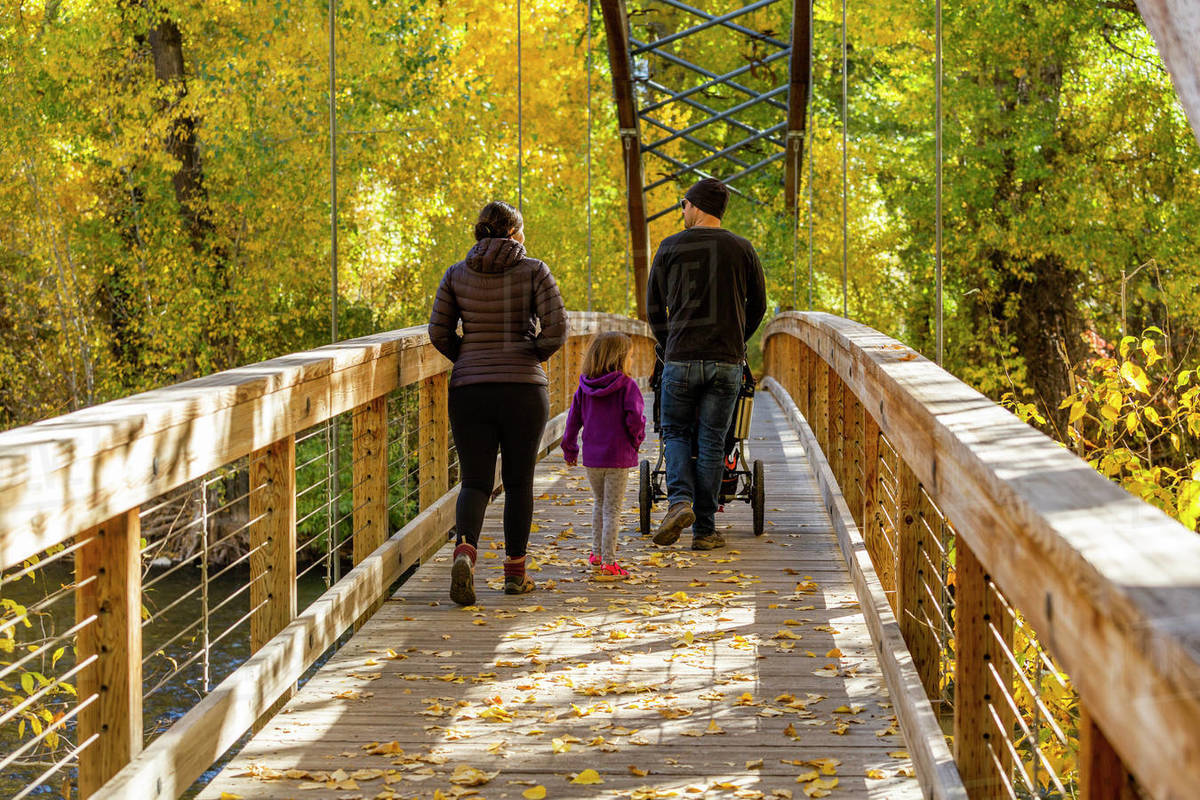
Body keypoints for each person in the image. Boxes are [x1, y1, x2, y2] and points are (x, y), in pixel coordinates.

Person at [428, 201, 567, 605]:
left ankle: (465, 553)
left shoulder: (456, 273)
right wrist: (529, 355)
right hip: (524, 389)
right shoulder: (534, 270)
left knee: (475, 481)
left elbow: (439, 331)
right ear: (514, 234)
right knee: (519, 481)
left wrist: (468, 358)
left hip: (470, 389)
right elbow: (557, 328)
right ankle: (514, 575)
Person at [646, 178, 767, 551]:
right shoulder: (742, 248)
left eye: (684, 204)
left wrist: (671, 345)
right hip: (726, 362)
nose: (682, 211)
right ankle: (704, 530)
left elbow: (654, 308)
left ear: (697, 206)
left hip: (680, 358)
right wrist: (735, 340)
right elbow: (758, 306)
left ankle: (679, 502)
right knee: (713, 440)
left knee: (676, 433)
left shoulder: (668, 247)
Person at [560, 332, 646, 578]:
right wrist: (636, 440)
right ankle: (609, 561)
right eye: (630, 357)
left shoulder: (584, 387)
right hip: (618, 458)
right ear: (619, 358)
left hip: (593, 458)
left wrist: (570, 448)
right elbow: (636, 419)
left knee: (599, 504)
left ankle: (596, 553)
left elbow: (572, 420)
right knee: (612, 510)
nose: (631, 361)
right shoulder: (627, 386)